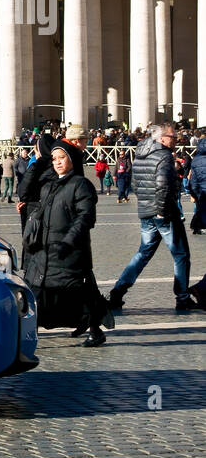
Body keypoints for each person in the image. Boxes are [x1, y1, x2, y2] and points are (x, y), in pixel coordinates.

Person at [23, 140, 113, 347]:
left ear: (71, 159)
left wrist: (68, 242)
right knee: (36, 291)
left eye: (61, 157)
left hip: (69, 251)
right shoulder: (49, 185)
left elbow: (85, 217)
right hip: (44, 250)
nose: (57, 162)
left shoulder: (81, 185)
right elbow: (26, 194)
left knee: (77, 293)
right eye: (54, 159)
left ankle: (95, 329)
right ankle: (30, 333)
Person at [107, 123, 194, 312]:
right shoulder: (163, 156)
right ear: (162, 138)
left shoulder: (140, 153)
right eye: (172, 136)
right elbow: (163, 184)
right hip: (164, 213)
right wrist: (162, 209)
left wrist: (146, 203)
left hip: (146, 211)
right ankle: (182, 297)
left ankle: (118, 291)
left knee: (143, 253)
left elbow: (135, 184)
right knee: (180, 255)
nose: (176, 139)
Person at [15, 133, 55, 234]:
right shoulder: (60, 166)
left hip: (35, 215)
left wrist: (27, 204)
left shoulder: (37, 166)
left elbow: (23, 191)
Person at [189, 138, 206, 233]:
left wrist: (194, 192)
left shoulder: (195, 160)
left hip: (201, 192)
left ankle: (197, 226)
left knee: (200, 209)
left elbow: (193, 179)